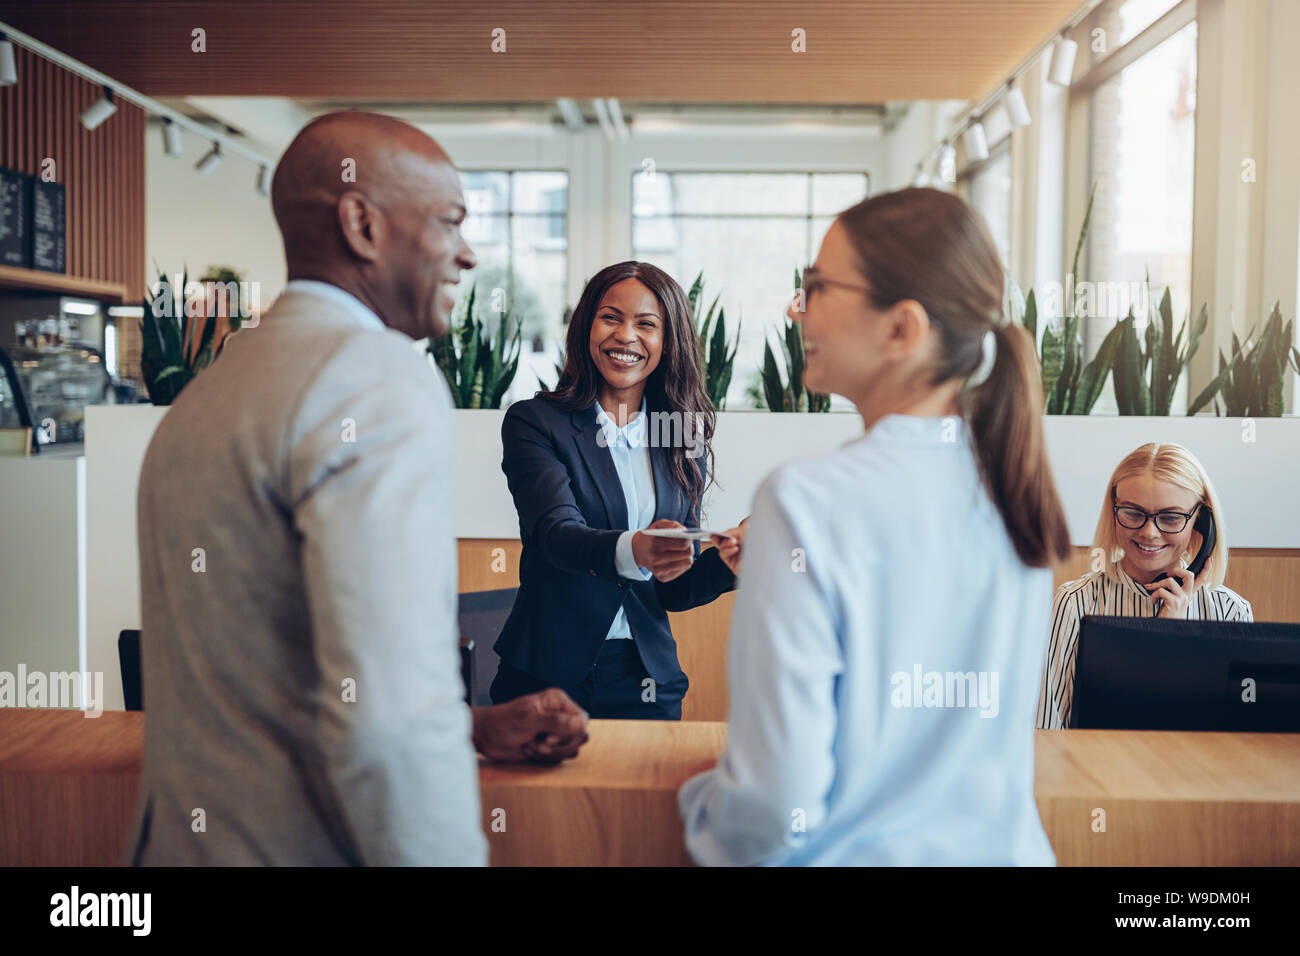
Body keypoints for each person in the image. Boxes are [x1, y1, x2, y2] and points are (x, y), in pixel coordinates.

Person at [123, 112, 589, 867]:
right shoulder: (374, 379)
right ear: (361, 223)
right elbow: (386, 719)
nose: (467, 254)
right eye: (449, 222)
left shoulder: (209, 392)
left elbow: (270, 677)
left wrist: (466, 725)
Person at [678, 187, 1071, 865]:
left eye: (818, 287)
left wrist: (700, 802)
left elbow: (769, 812)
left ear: (902, 330)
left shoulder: (804, 501)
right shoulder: (1017, 488)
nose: (797, 309)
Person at [491, 261, 744, 720]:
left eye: (646, 324)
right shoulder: (536, 422)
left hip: (648, 677)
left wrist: (727, 565)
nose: (625, 336)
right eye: (611, 317)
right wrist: (638, 548)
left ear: (668, 342)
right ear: (587, 327)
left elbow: (672, 588)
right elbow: (555, 533)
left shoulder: (680, 436)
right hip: (548, 680)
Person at [1037, 442, 1253, 729]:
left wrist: (1175, 629)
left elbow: (1238, 738)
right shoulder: (1075, 603)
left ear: (1201, 522)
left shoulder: (1230, 613)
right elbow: (1046, 731)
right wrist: (1160, 635)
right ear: (1113, 511)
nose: (1149, 532)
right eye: (1132, 513)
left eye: (1171, 517)